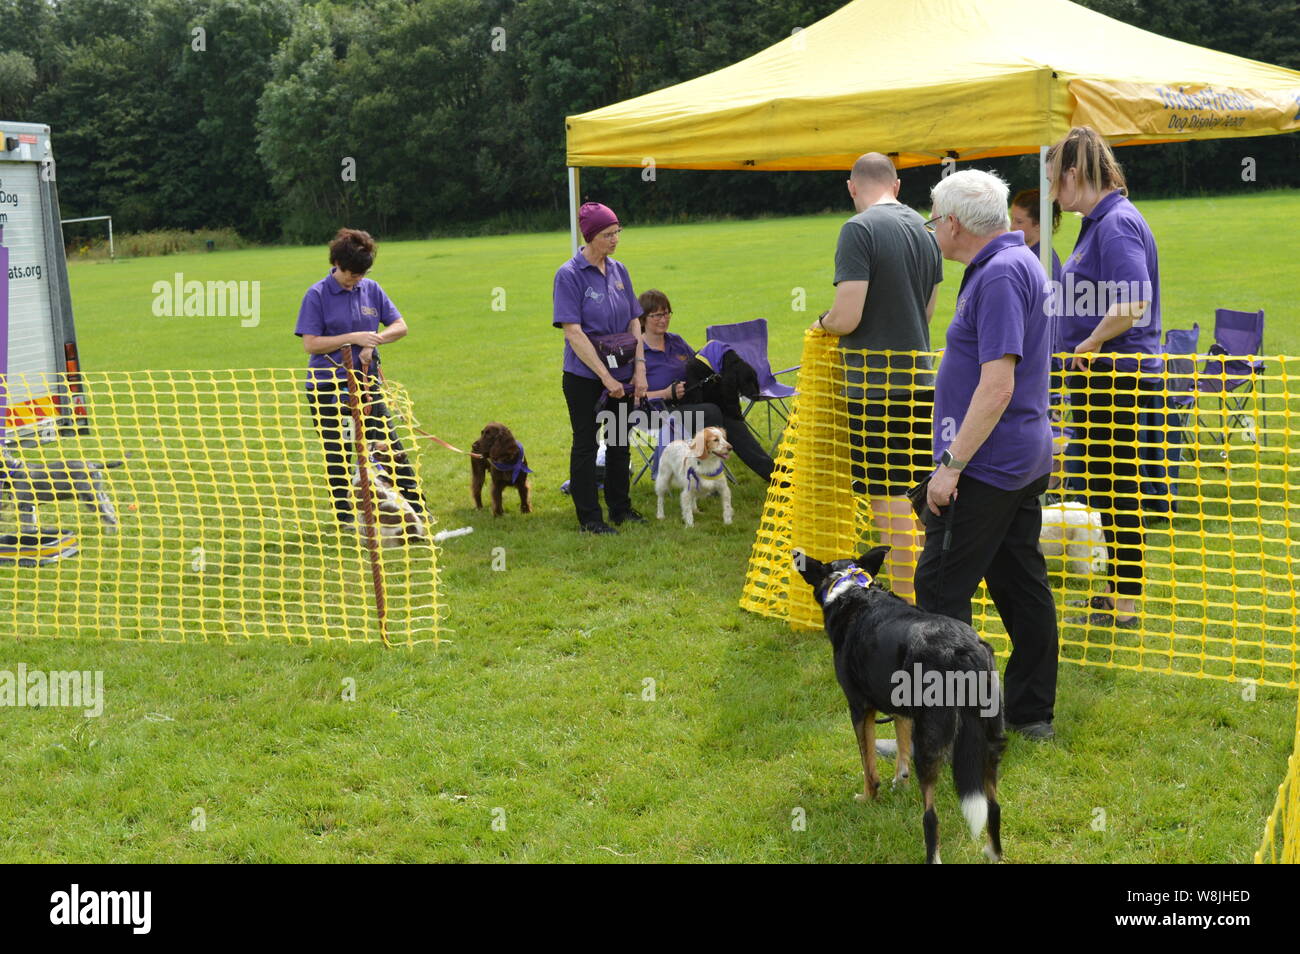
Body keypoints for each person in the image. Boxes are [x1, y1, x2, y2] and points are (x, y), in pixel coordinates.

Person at [913, 169, 1059, 741]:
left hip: (988, 464)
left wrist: (950, 466)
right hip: (1018, 458)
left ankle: (950, 724)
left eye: (933, 219)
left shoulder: (999, 274)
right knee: (1021, 583)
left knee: (941, 589)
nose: (933, 229)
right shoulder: (1017, 262)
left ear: (952, 222)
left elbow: (997, 386)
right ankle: (1029, 714)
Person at [813, 152, 944, 600]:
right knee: (918, 498)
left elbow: (846, 316)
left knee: (887, 504)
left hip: (874, 390)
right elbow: (926, 313)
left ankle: (907, 602)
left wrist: (822, 321)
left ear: (852, 187)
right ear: (898, 185)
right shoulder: (926, 232)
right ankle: (931, 589)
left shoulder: (859, 229)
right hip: (920, 385)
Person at [1048, 126, 1162, 628]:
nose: (1053, 191)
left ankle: (1127, 602)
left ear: (1074, 174)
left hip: (1115, 376)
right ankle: (1117, 593)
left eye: (1055, 180)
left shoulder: (1114, 224)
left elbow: (1134, 301)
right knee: (1107, 483)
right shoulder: (1097, 221)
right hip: (1099, 378)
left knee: (1118, 486)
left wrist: (1091, 342)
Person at [294, 227, 419, 526]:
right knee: (338, 451)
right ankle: (345, 519)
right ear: (337, 264)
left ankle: (416, 506)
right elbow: (310, 343)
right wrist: (354, 338)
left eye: (362, 274)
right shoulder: (317, 295)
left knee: (389, 443)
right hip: (328, 386)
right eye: (352, 274)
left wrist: (373, 340)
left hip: (367, 381)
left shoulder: (371, 289)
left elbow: (400, 326)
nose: (356, 280)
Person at [553, 202, 648, 534]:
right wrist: (605, 378)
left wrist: (639, 370)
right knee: (587, 444)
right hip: (584, 378)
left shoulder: (620, 270)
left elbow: (635, 320)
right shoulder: (569, 275)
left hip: (623, 372)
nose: (615, 239)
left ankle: (621, 509)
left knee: (620, 441)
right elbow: (573, 332)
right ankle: (590, 518)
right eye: (608, 234)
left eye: (617, 232)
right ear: (590, 236)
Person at [638, 289, 775, 480]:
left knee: (725, 413)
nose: (664, 319)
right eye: (657, 315)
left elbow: (698, 367)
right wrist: (666, 392)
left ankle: (774, 473)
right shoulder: (637, 351)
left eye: (667, 313)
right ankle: (771, 474)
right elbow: (631, 397)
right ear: (643, 318)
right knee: (713, 411)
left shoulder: (675, 341)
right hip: (654, 411)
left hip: (688, 405)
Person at [1010, 189, 1062, 283]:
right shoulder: (1023, 253)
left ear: (1038, 225)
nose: (1012, 226)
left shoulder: (1045, 262)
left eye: (1019, 222)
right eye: (1012, 219)